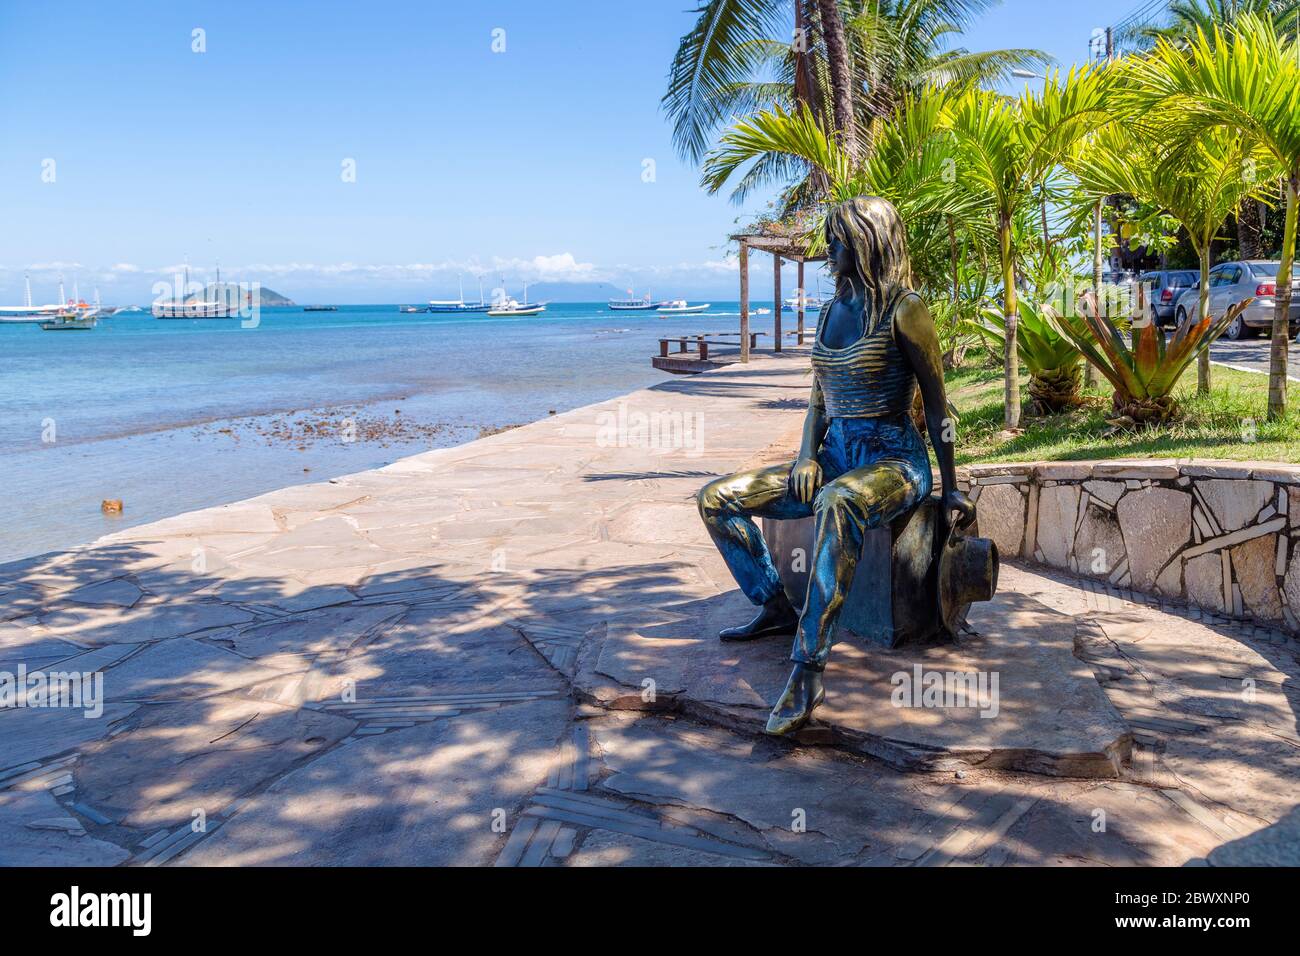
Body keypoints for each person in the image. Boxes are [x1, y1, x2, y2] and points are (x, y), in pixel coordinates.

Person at [697, 196, 975, 736]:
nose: (829, 246)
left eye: (839, 236)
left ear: (868, 241)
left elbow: (938, 405)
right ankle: (774, 603)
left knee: (839, 499)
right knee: (716, 499)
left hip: (894, 461)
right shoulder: (831, 309)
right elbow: (819, 400)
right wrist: (806, 455)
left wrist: (950, 487)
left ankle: (808, 667)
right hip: (833, 456)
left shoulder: (905, 309)